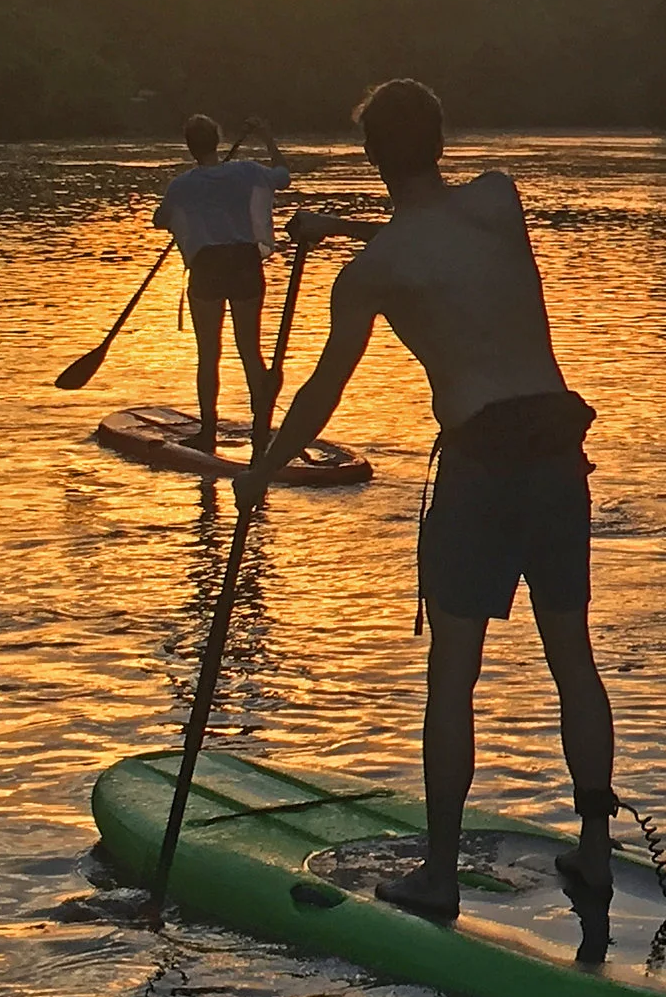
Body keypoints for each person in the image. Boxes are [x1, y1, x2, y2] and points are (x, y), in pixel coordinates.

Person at [232, 80, 616, 931]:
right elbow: (443, 238)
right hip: (557, 449)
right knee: (572, 657)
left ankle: (438, 876)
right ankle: (594, 847)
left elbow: (322, 397)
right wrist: (339, 228)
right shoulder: (499, 200)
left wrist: (263, 468)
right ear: (443, 141)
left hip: (480, 464)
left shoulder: (374, 273)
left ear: (374, 159)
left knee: (454, 676)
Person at [152, 114, 287, 457]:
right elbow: (283, 177)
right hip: (244, 263)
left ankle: (208, 431)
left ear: (189, 147)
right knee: (250, 351)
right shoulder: (247, 171)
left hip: (208, 267)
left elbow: (159, 220)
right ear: (217, 140)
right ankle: (261, 429)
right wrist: (268, 137)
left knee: (208, 354)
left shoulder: (182, 186)